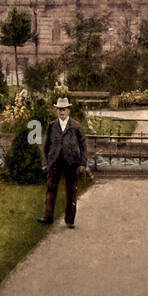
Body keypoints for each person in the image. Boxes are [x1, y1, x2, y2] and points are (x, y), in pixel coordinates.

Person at [40, 95, 86, 227]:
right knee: (50, 189)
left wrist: (83, 163)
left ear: (69, 110)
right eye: (59, 109)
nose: (62, 112)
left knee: (71, 190)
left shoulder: (76, 126)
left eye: (64, 109)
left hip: (71, 162)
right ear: (57, 111)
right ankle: (47, 217)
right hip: (54, 161)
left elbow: (83, 146)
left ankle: (70, 220)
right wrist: (45, 162)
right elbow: (45, 146)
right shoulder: (51, 126)